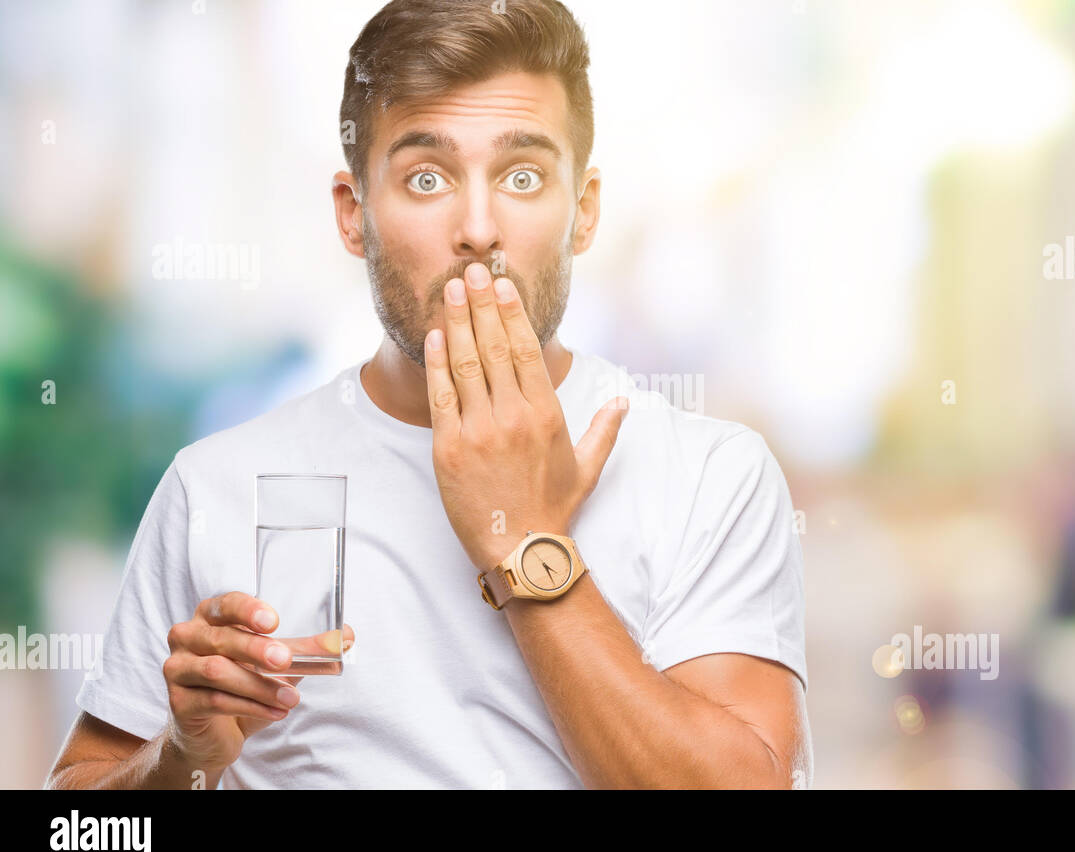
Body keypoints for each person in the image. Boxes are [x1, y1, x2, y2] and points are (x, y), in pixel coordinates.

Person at [46, 0, 811, 789]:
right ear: (354, 215)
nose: (478, 227)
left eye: (522, 176)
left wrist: (523, 544)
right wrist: (180, 758)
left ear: (582, 213)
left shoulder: (711, 475)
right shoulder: (215, 486)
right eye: (425, 177)